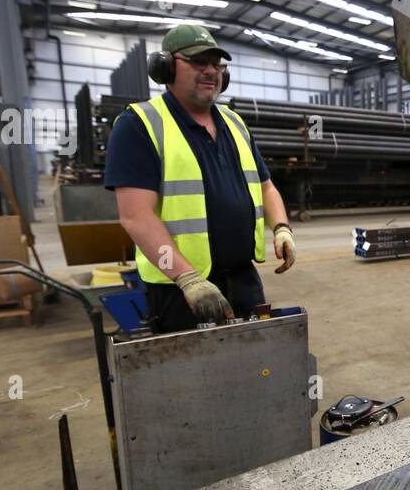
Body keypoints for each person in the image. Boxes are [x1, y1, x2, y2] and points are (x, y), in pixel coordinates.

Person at [104, 23, 295, 332]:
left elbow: (266, 186)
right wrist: (186, 277)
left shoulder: (235, 123)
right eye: (198, 62)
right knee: (191, 376)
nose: (211, 71)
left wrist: (282, 228)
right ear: (164, 67)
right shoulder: (139, 124)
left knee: (254, 369)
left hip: (244, 279)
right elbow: (135, 216)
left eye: (216, 64)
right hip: (180, 290)